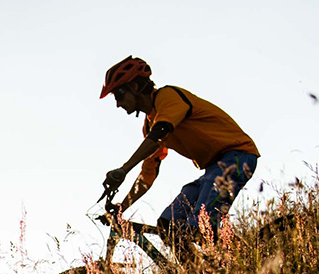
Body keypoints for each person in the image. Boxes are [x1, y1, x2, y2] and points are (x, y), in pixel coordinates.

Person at [99, 56, 260, 257]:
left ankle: (246, 259)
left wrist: (124, 170)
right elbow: (148, 175)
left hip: (237, 157)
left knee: (199, 226)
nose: (118, 104)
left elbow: (160, 133)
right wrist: (122, 207)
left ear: (134, 86)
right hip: (213, 169)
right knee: (168, 226)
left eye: (119, 95)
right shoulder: (150, 125)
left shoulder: (167, 97)